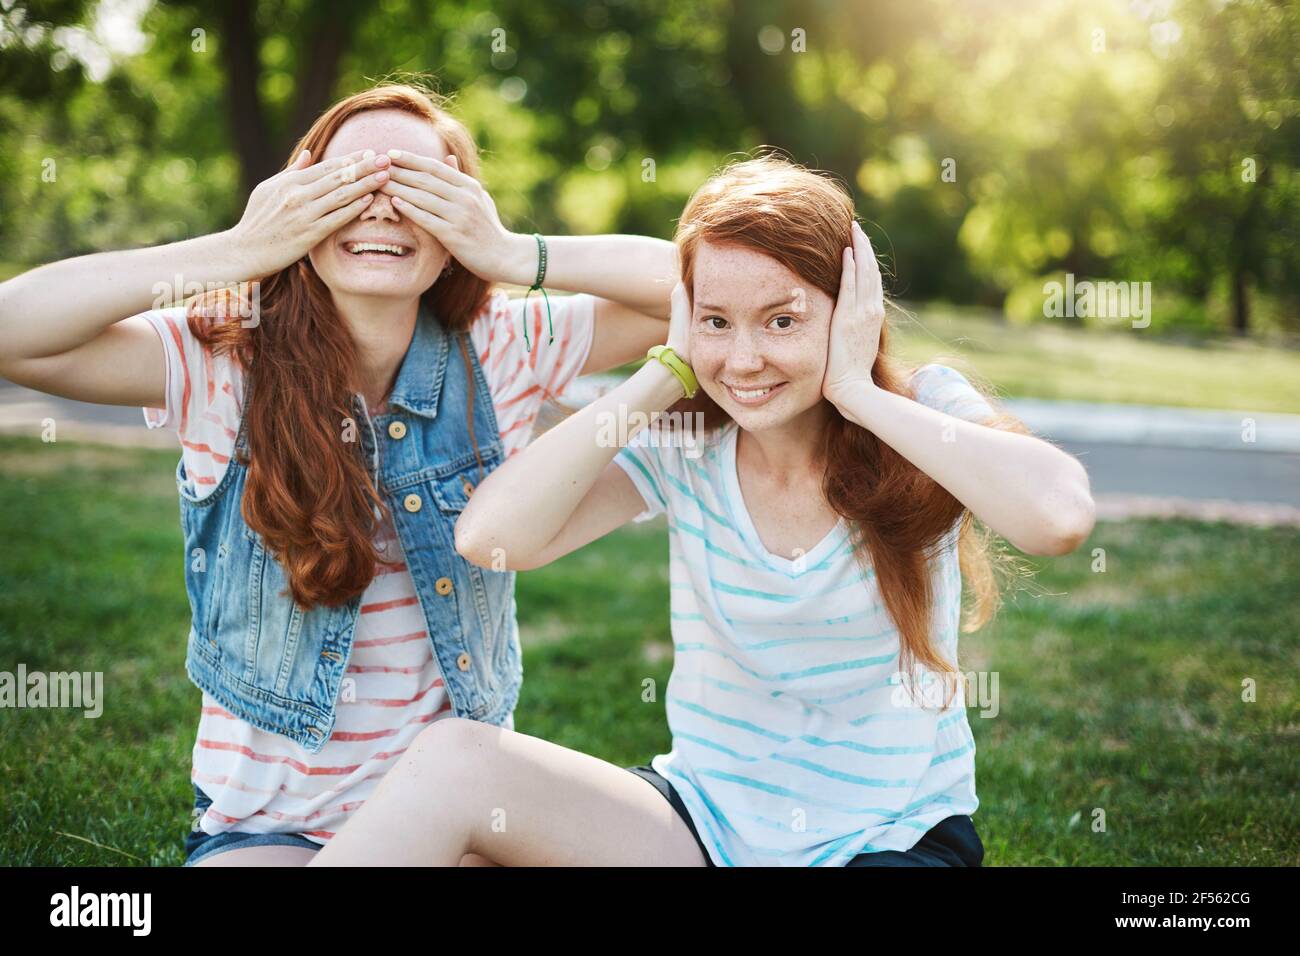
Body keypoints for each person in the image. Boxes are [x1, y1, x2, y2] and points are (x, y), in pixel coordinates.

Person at [309, 155, 1096, 867]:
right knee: (456, 763)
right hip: (699, 826)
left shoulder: (919, 410)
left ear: (849, 311)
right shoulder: (689, 440)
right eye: (717, 321)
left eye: (782, 320)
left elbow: (1058, 517)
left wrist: (855, 390)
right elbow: (490, 538)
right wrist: (666, 370)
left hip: (887, 839)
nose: (744, 359)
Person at [0, 82, 677, 866]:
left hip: (465, 821)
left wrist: (512, 252)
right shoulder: (222, 357)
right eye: (348, 183)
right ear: (297, 200)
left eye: (418, 189)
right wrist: (240, 249)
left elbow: (696, 294)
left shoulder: (502, 347)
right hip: (269, 828)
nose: (383, 209)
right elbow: (16, 331)